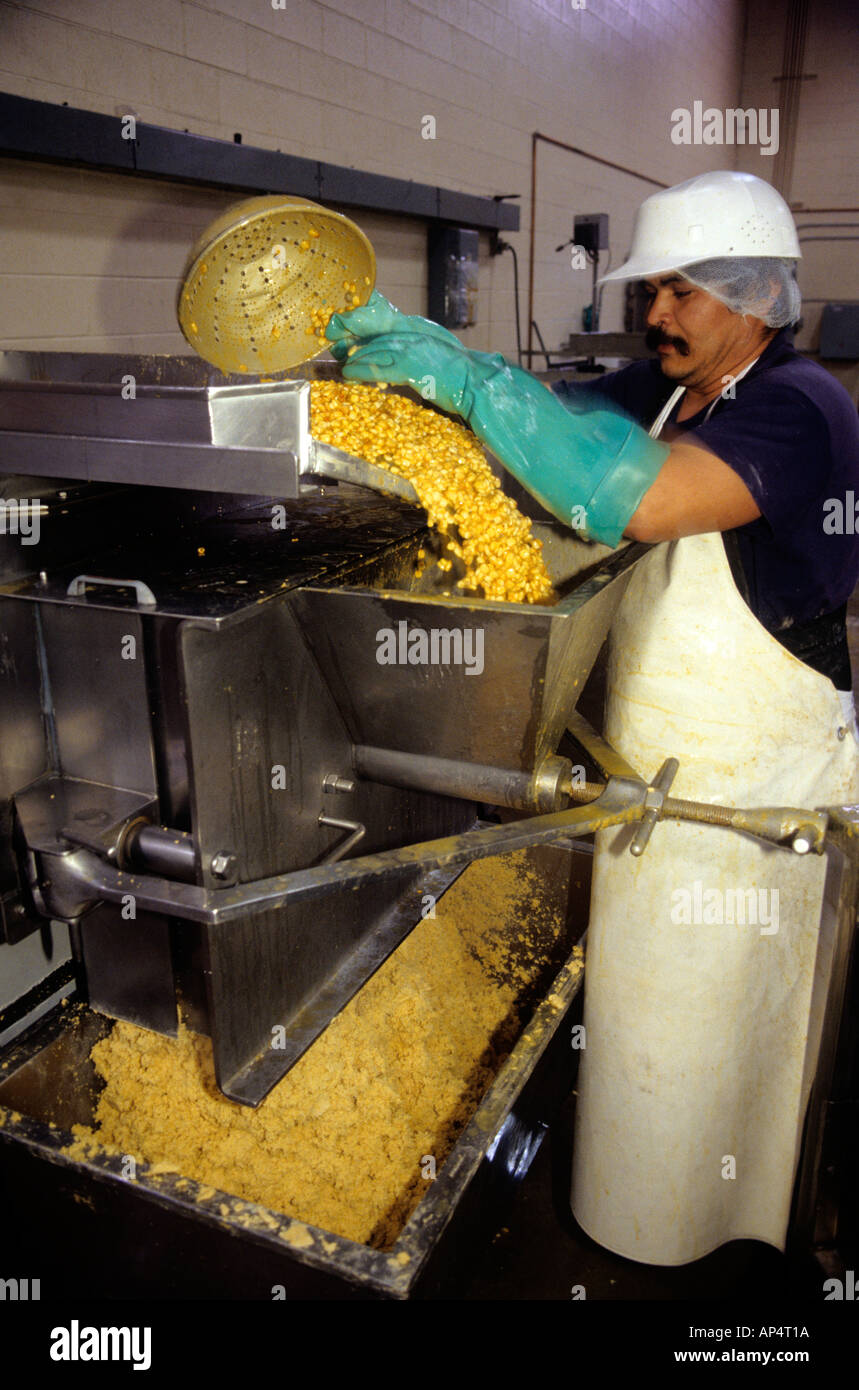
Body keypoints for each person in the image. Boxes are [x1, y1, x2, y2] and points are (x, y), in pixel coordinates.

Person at [325, 169, 859, 1265]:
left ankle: (743, 1242)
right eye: (647, 291)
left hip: (754, 793)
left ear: (755, 295)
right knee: (646, 1022)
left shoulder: (799, 408)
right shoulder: (669, 387)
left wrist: (471, 389)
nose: (653, 315)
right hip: (655, 772)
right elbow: (562, 423)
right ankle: (632, 1213)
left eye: (680, 294)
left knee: (731, 1046)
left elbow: (644, 497)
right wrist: (448, 367)